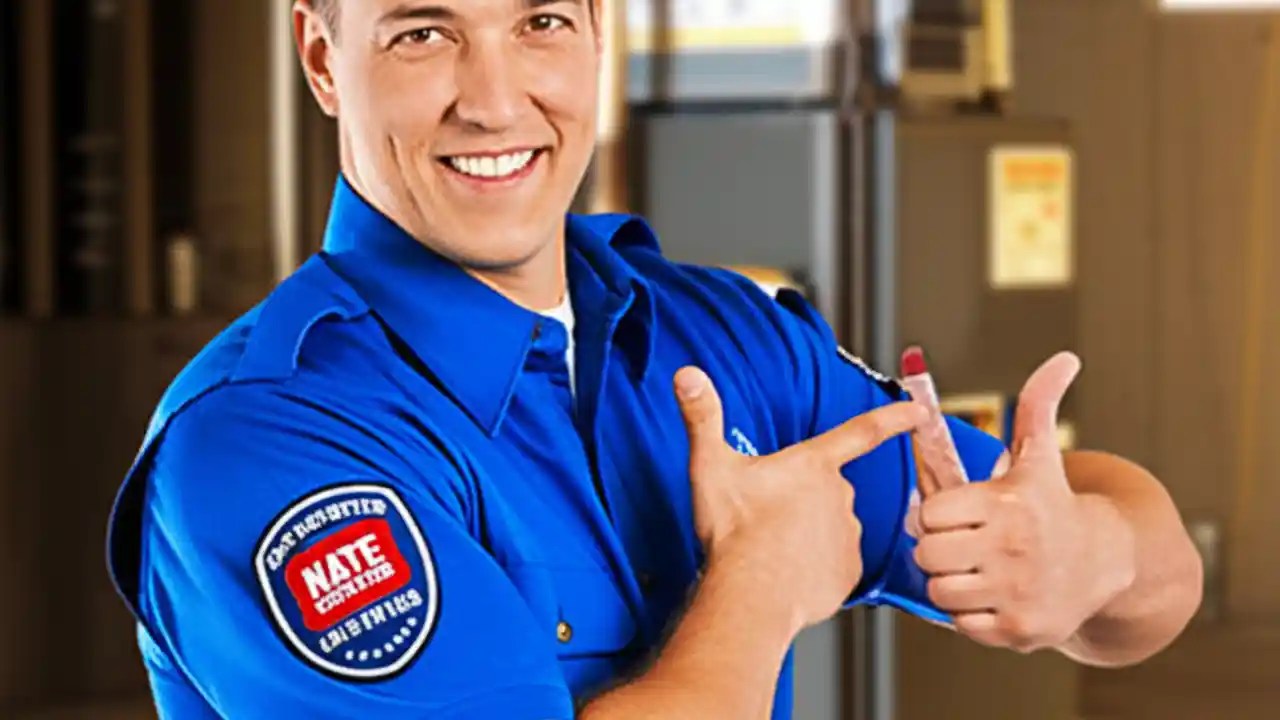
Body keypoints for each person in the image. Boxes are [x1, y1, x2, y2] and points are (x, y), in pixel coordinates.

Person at [105, 1, 1203, 718]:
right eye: (423, 33)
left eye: (538, 21)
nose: (493, 100)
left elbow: (1154, 591)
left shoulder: (718, 339)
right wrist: (759, 588)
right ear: (321, 57)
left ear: (594, 35)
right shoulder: (266, 441)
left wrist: (1085, 554)